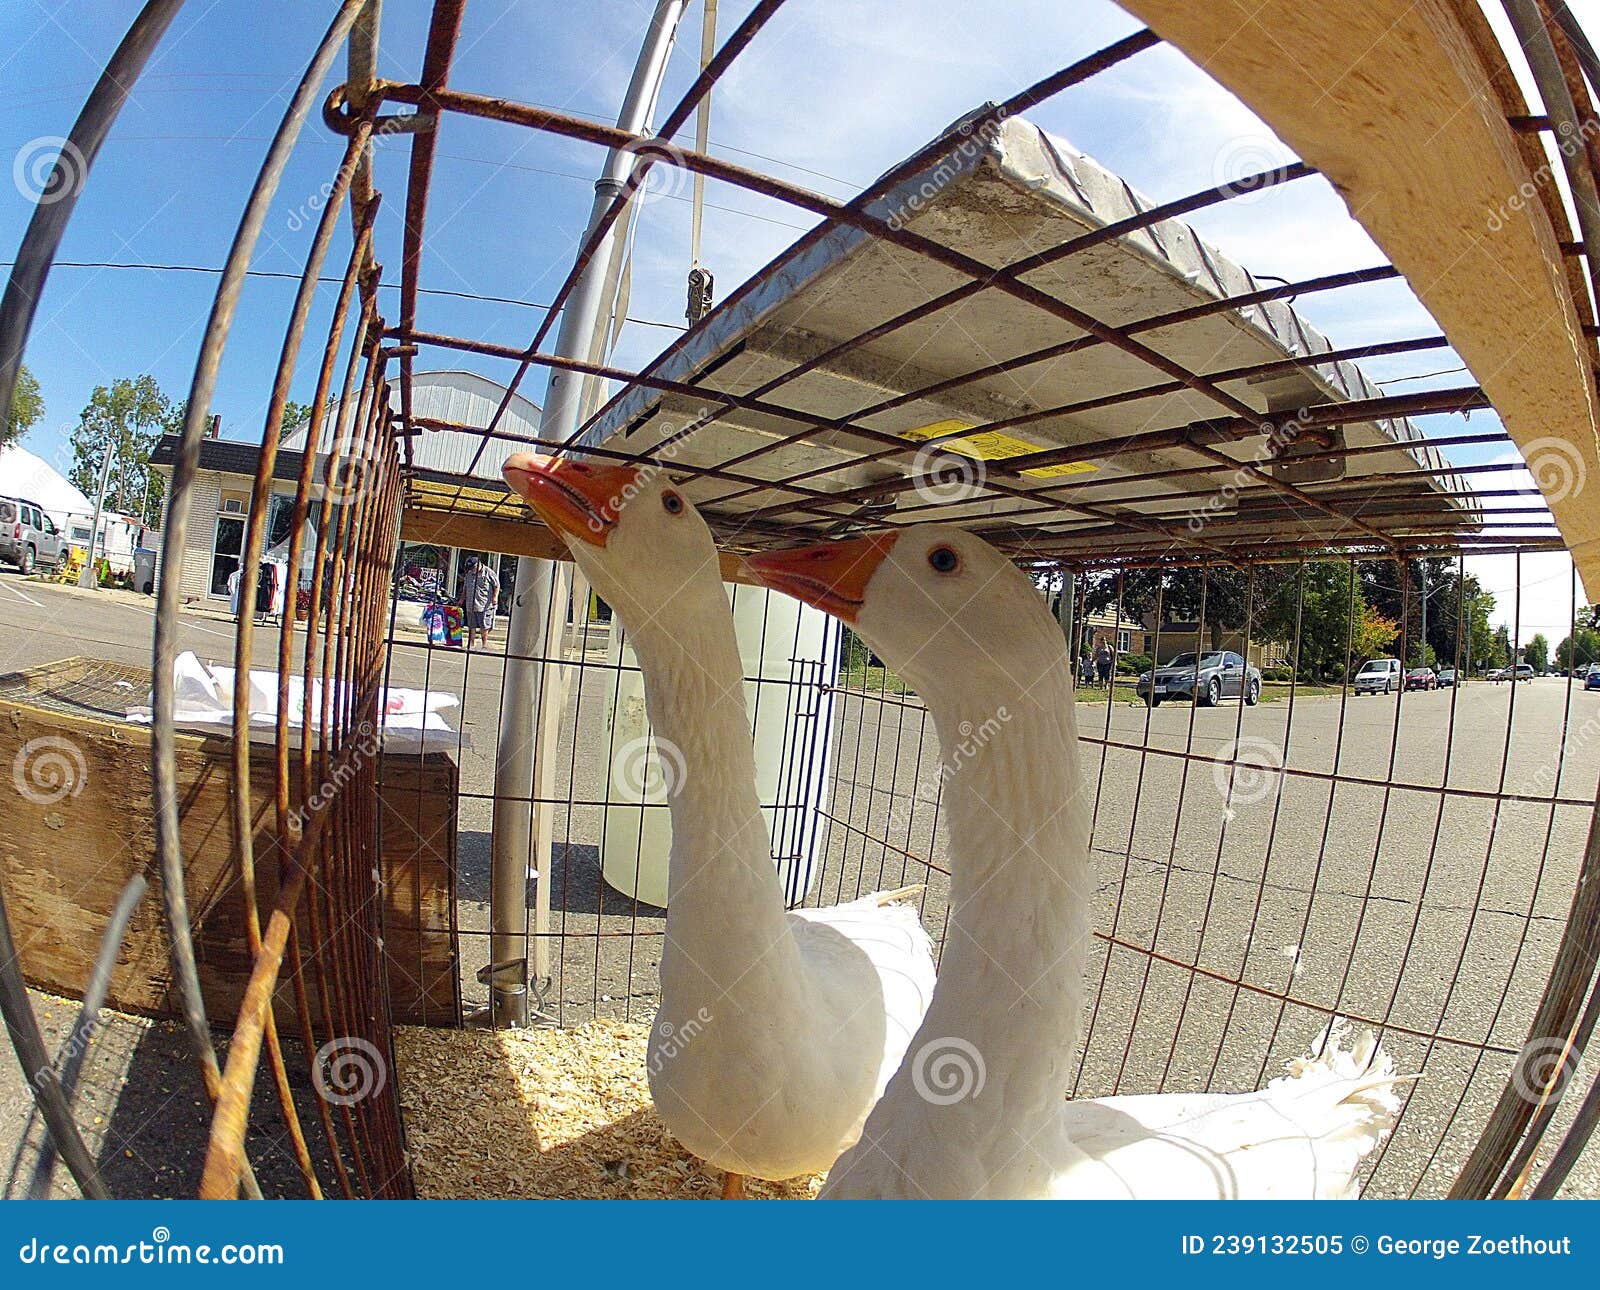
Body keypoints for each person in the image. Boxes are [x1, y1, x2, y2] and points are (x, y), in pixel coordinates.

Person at [459, 555, 500, 651]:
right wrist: (461, 599)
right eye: (470, 568)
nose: (472, 570)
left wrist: (495, 597)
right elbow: (465, 588)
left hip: (484, 604)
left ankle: (484, 644)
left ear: (478, 565)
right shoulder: (469, 574)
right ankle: (471, 644)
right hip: (471, 604)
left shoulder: (489, 573)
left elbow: (497, 586)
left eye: (473, 568)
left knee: (484, 625)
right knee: (471, 625)